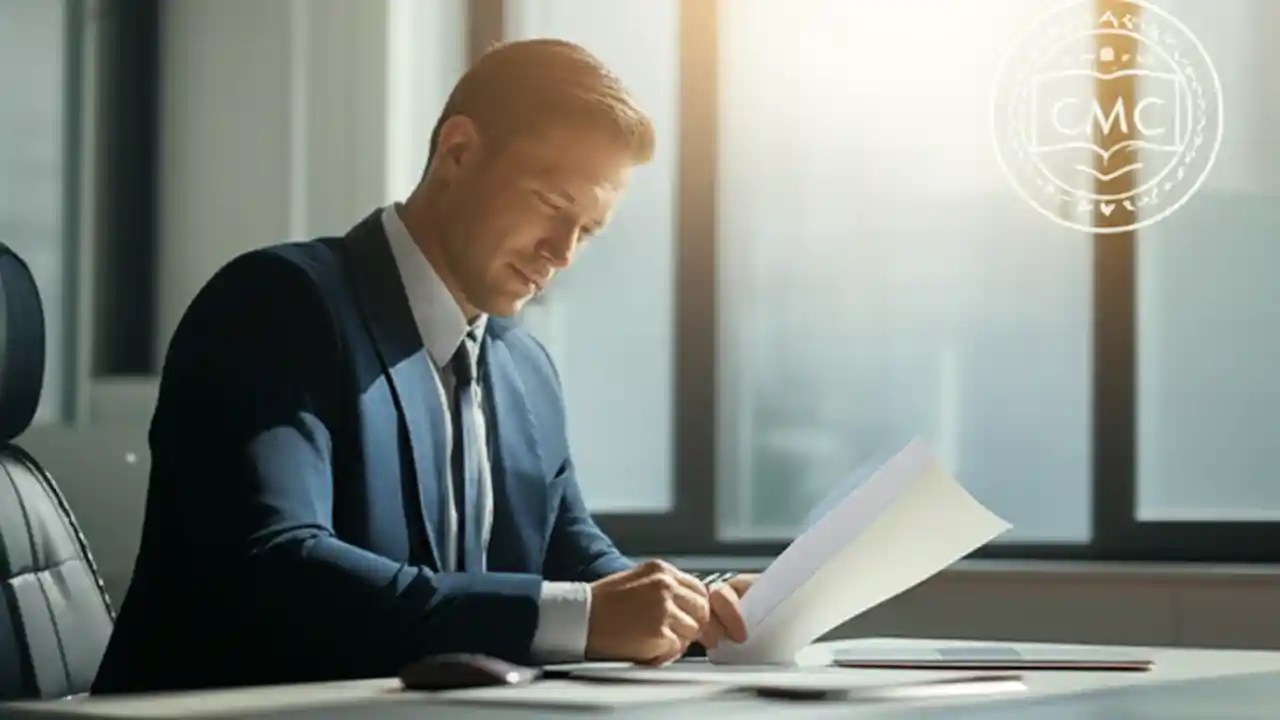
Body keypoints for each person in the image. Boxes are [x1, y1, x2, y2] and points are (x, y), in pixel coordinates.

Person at [92, 38, 755, 694]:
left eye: (587, 231)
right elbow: (276, 568)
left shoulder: (525, 370)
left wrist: (704, 611)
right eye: (554, 208)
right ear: (458, 152)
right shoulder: (276, 306)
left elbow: (576, 563)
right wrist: (577, 615)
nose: (562, 254)